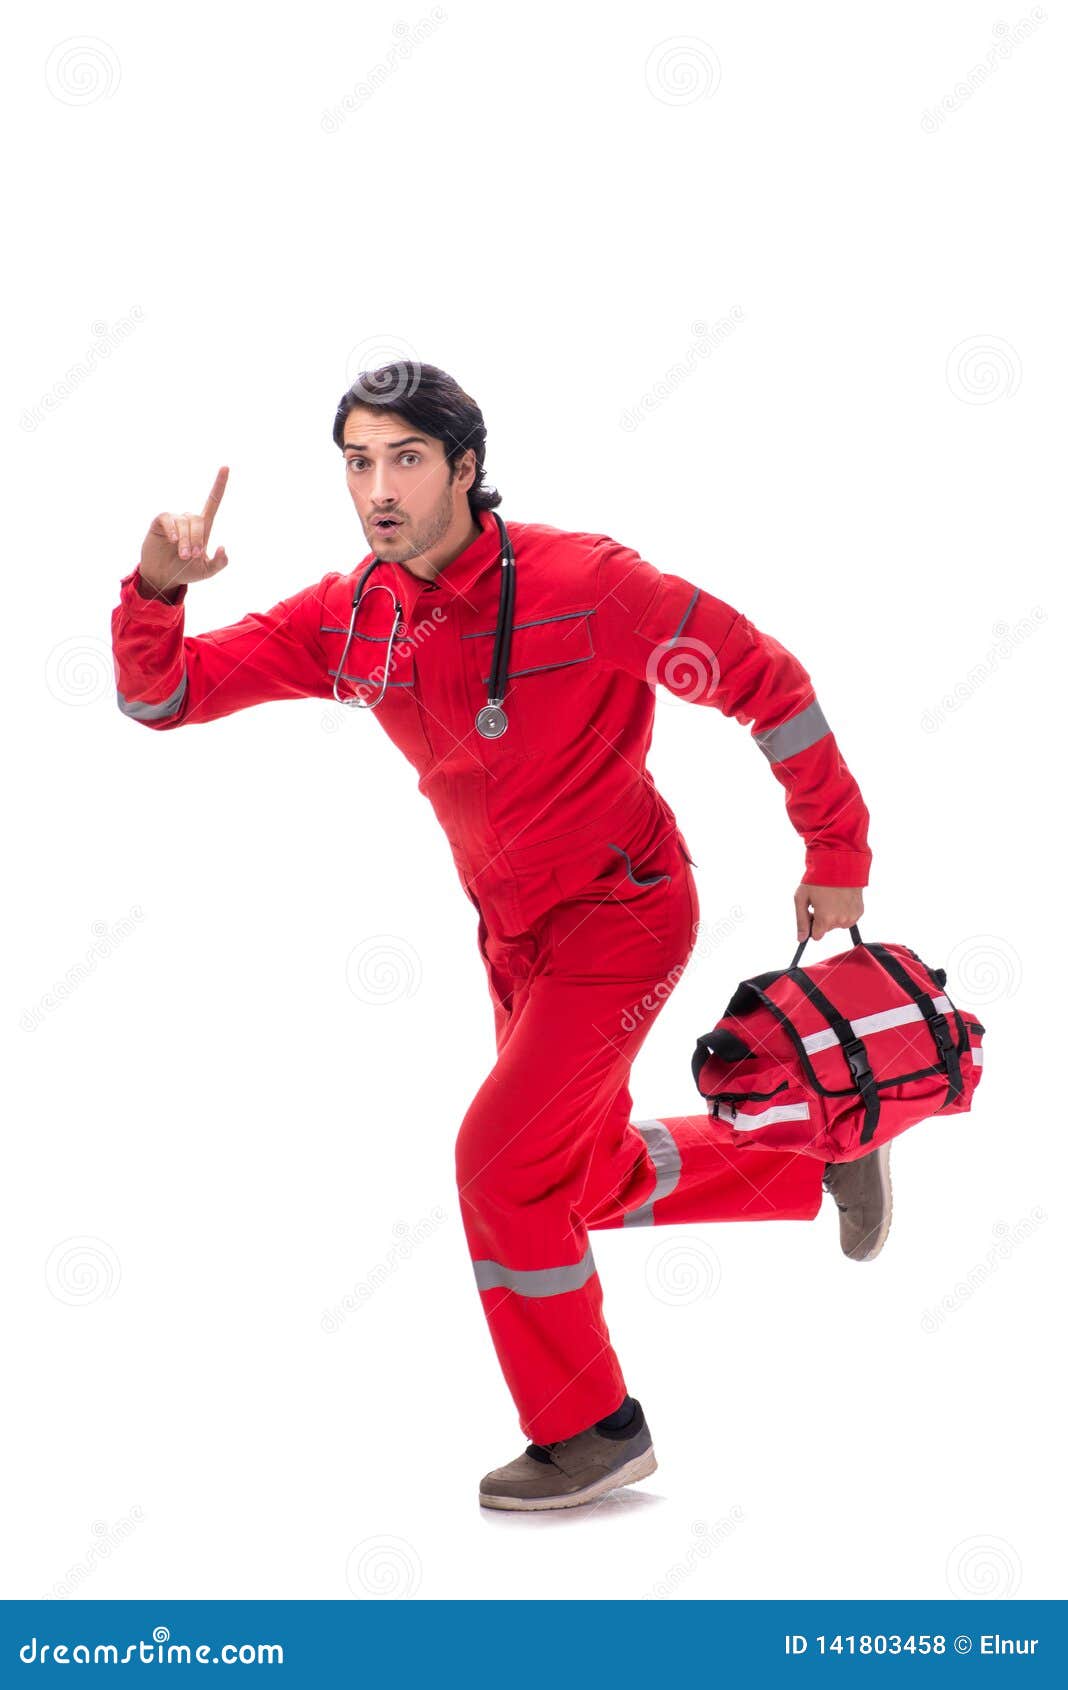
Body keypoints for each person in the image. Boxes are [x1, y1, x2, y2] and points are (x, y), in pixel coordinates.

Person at [110, 361, 883, 1514]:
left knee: (498, 1168)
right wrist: (155, 592)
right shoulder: (352, 617)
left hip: (624, 913)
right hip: (511, 935)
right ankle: (813, 1151)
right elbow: (165, 699)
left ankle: (591, 1430)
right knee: (579, 1169)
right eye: (358, 461)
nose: (377, 488)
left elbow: (769, 685)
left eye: (406, 459)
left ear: (467, 468)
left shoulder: (585, 586)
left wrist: (836, 854)